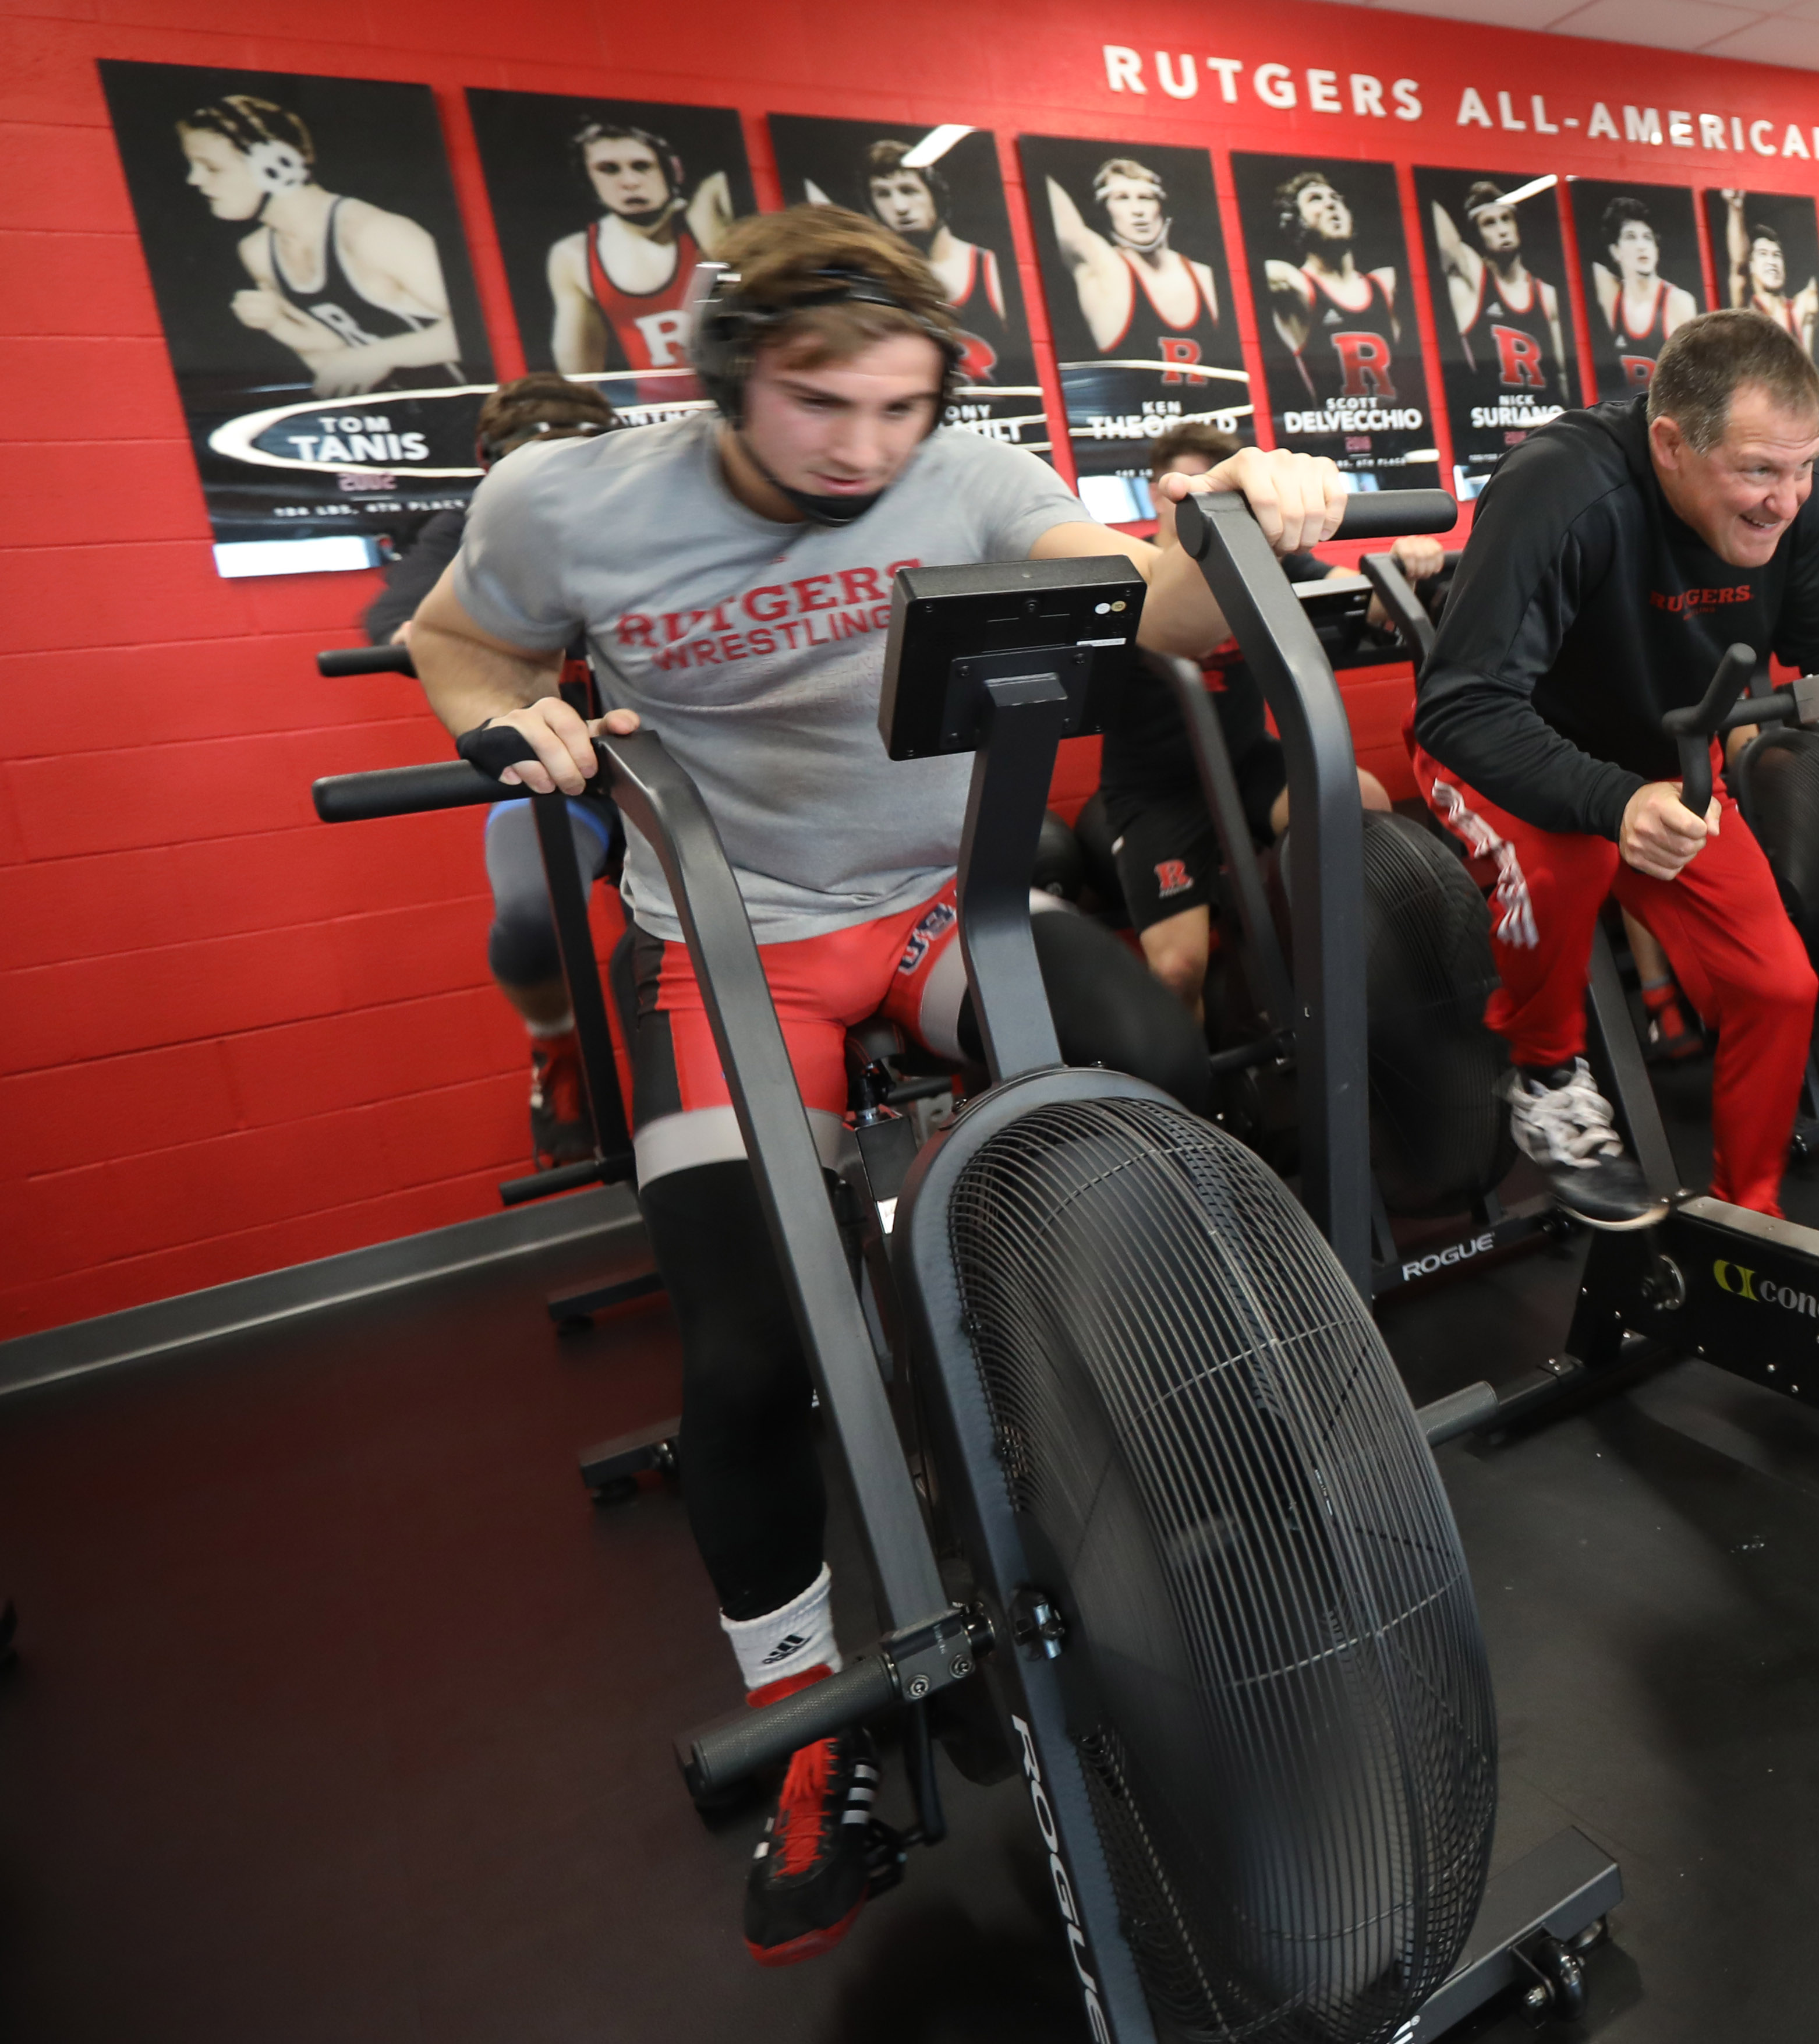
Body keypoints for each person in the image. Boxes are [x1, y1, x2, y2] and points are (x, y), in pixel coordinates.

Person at [399, 204, 1348, 1967]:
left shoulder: (971, 478)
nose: (862, 447)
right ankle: (814, 1720)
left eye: (901, 408)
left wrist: (1241, 518)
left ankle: (1186, 1480)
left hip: (942, 908)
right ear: (730, 373)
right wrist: (499, 719)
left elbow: (1147, 598)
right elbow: (455, 638)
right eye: (820, 401)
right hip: (728, 954)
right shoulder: (571, 504)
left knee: (1153, 1082)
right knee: (753, 1352)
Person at [1411, 309, 1819, 1226]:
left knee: (1779, 986)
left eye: (1803, 466)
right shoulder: (1561, 485)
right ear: (1668, 443)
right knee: (1572, 856)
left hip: (1658, 766)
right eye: (1755, 471)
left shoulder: (1802, 502)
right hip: (1502, 749)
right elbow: (1461, 704)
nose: (1783, 500)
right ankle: (1545, 1079)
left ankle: (1752, 1215)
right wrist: (1611, 802)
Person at [358, 372, 624, 1168]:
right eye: (527, 464)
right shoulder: (467, 529)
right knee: (535, 919)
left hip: (682, 764)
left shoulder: (657, 524)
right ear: (491, 467)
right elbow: (399, 623)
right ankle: (557, 1047)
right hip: (559, 775)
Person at [1089, 421, 1432, 1018]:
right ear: (1155, 494)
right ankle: (1192, 1102)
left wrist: (1402, 570)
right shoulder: (1124, 572)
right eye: (1180, 489)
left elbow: (1363, 602)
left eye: (1208, 490)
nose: (1191, 503)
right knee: (1176, 970)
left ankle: (1354, 1001)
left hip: (1246, 760)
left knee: (1366, 803)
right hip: (1156, 791)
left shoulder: (1259, 557)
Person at [175, 93, 461, 397]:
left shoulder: (374, 234)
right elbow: (330, 353)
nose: (194, 180)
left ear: (274, 164)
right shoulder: (258, 251)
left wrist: (378, 356)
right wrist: (275, 324)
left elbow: (477, 330)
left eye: (211, 167)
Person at [544, 118, 734, 377]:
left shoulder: (709, 217)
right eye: (609, 170)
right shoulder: (574, 256)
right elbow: (580, 377)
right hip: (653, 415)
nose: (630, 182)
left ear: (672, 170)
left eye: (642, 166)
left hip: (728, 408)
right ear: (589, 180)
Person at [1042, 154, 1232, 368]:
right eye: (1122, 198)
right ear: (1106, 210)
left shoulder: (1204, 277)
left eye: (1145, 198)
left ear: (1161, 206)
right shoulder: (1104, 270)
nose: (1137, 211)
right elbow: (1069, 230)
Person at [861, 140, 1013, 384]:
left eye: (909, 190)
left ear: (935, 193)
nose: (899, 207)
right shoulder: (875, 279)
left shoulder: (990, 266)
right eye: (883, 195)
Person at [1260, 168, 1403, 408]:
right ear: (1295, 220)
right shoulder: (1293, 283)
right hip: (1331, 437)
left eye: (1336, 200)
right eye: (1315, 199)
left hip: (1394, 434)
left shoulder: (1386, 284)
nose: (1330, 205)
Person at [1433, 180, 1568, 406]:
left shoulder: (1546, 295)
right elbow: (1443, 231)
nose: (1502, 230)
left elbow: (1561, 376)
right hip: (1491, 420)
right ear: (1477, 234)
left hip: (1543, 421)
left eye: (1506, 219)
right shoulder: (1473, 285)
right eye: (1489, 223)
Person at [1590, 195, 1698, 392]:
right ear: (1615, 251)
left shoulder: (1679, 302)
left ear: (1656, 249)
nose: (1642, 246)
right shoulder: (1611, 294)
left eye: (1647, 238)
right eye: (1631, 237)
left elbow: (1696, 381)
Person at [1718, 190, 1818, 346]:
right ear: (1751, 265)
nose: (1772, 261)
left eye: (1776, 255)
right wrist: (1735, 209)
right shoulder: (1747, 312)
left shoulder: (1802, 307)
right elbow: (1739, 266)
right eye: (1763, 254)